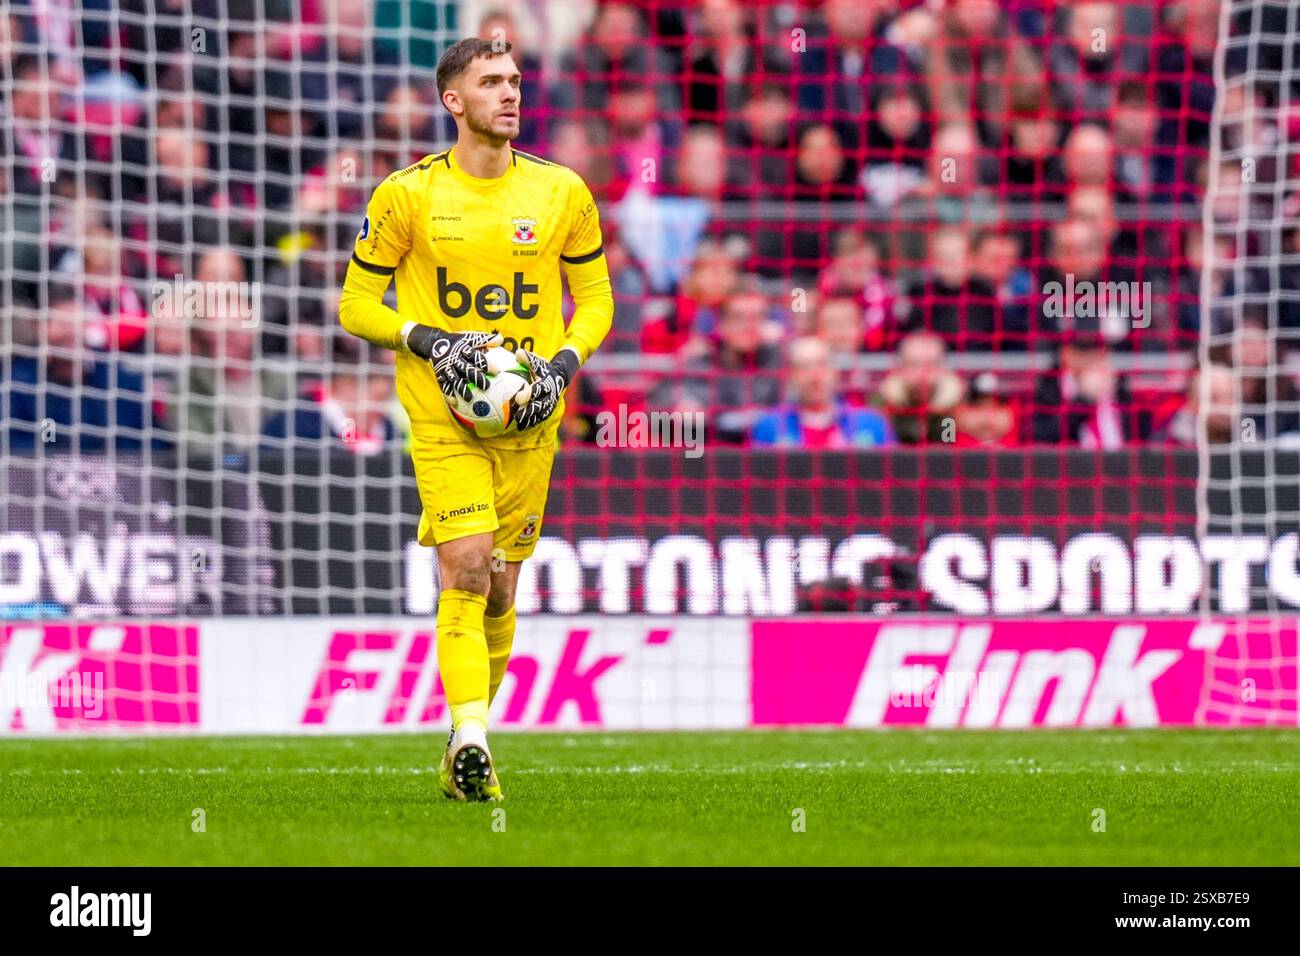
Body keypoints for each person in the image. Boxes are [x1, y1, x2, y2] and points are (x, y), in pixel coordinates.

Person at [338, 38, 614, 802]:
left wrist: (561, 365)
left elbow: (595, 301)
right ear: (453, 101)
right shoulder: (407, 195)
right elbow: (354, 304)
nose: (510, 93)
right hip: (443, 414)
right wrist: (426, 338)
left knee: (500, 588)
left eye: (516, 81)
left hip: (530, 416)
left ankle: (465, 747)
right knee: (464, 565)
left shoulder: (563, 193)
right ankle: (471, 736)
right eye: (491, 82)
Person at [752, 337, 894, 448]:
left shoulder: (870, 423)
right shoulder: (770, 426)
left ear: (834, 371)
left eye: (822, 364)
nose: (815, 375)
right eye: (805, 367)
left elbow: (893, 479)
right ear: (791, 376)